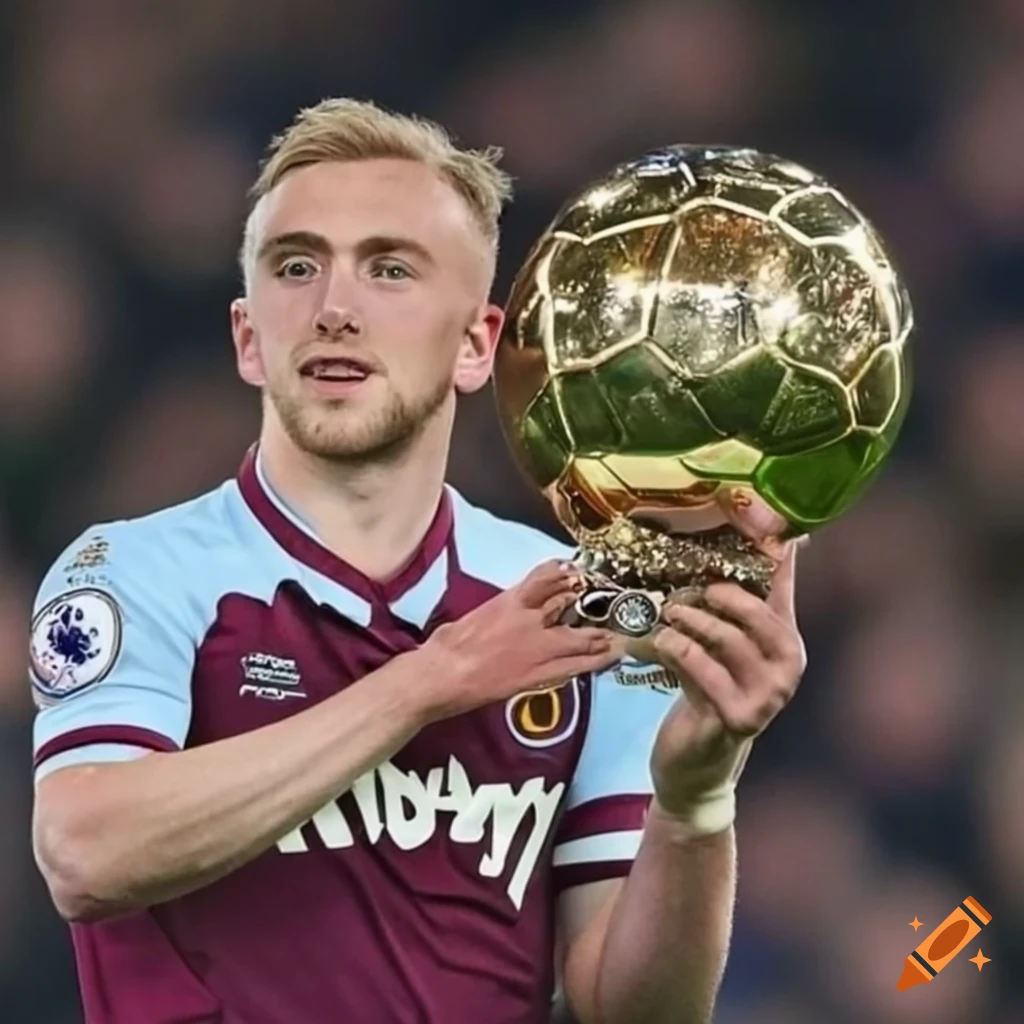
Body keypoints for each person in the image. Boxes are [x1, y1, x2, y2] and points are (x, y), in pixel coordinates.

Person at [29, 98, 807, 1024]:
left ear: (478, 345)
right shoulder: (134, 571)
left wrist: (695, 800)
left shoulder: (574, 610)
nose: (334, 308)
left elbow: (633, 1010)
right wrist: (426, 682)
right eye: (296, 266)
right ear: (249, 337)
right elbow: (86, 853)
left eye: (389, 268)